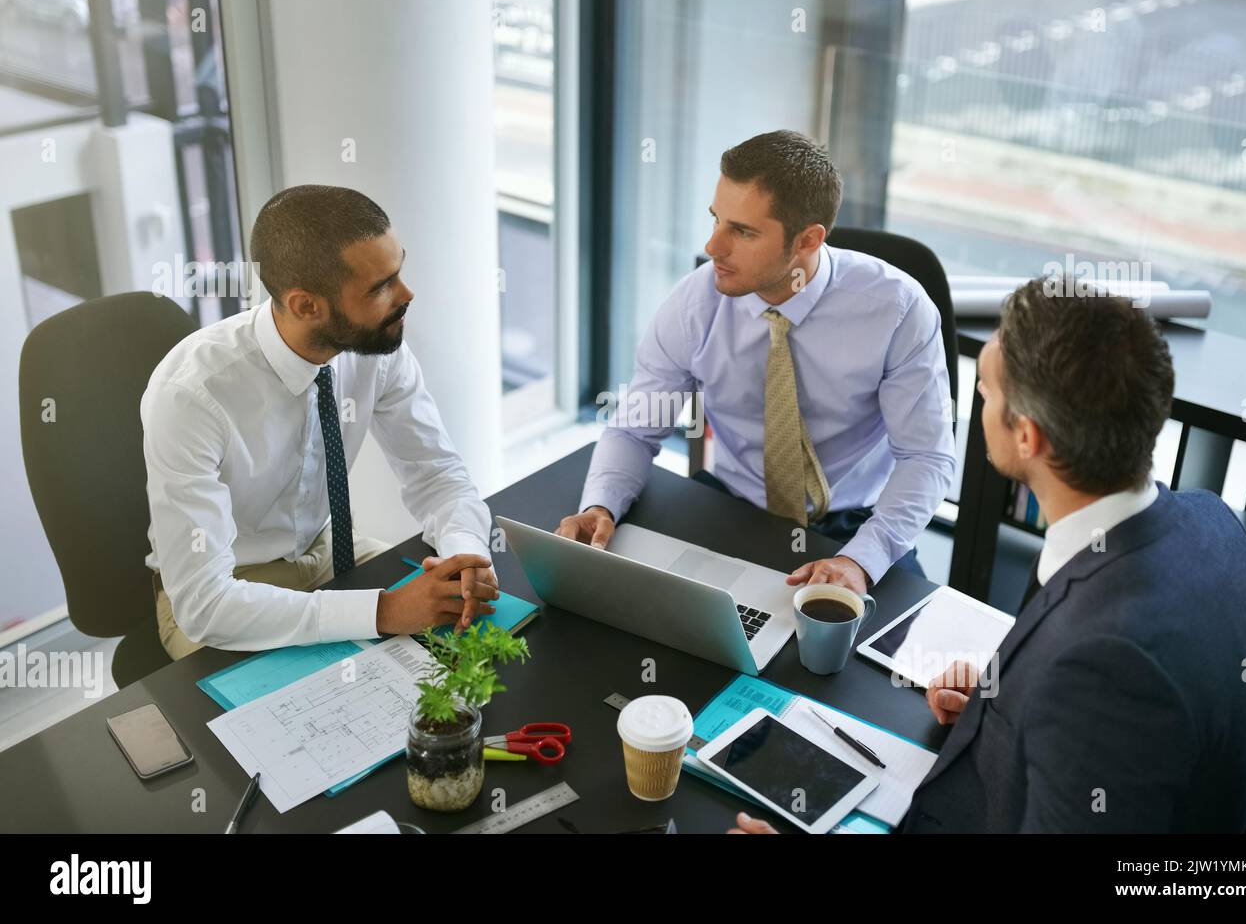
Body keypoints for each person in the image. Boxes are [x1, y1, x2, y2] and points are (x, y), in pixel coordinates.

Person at [731, 277, 1246, 833]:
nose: (978, 404)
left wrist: (1055, 707)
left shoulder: (1101, 672)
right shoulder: (1215, 523)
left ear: (1028, 438)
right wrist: (1012, 707)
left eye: (986, 392)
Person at [557, 130, 955, 597]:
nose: (713, 247)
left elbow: (926, 457)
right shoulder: (694, 303)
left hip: (858, 525)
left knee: (888, 663)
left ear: (808, 239)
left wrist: (859, 559)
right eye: (716, 220)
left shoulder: (898, 310)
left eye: (742, 231)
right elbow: (634, 429)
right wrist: (600, 507)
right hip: (733, 509)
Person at [142, 185, 498, 658]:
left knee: (473, 660)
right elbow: (205, 604)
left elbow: (439, 478)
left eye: (399, 271)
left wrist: (462, 554)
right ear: (306, 305)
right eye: (380, 287)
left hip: (326, 552)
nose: (406, 295)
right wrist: (386, 611)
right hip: (229, 588)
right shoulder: (191, 395)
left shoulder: (375, 348)